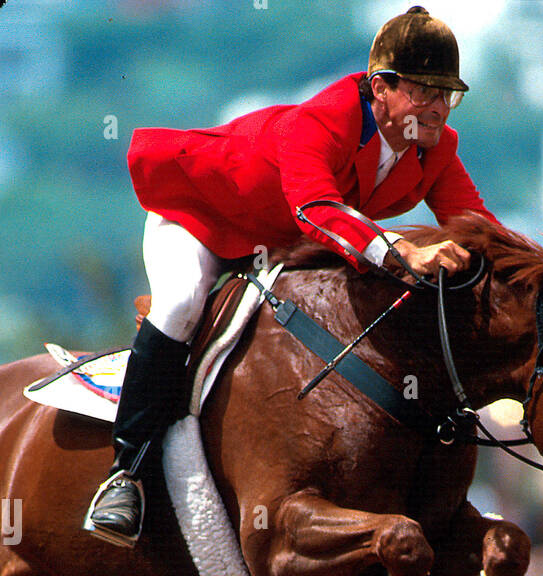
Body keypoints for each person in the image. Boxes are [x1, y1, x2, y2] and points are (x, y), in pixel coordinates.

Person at [85, 4, 499, 547]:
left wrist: (542, 279)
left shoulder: (435, 148)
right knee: (181, 303)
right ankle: (126, 476)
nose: (439, 108)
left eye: (447, 95)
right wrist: (400, 250)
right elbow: (315, 207)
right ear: (380, 88)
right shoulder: (322, 120)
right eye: (424, 92)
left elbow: (477, 227)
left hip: (284, 246)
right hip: (204, 219)